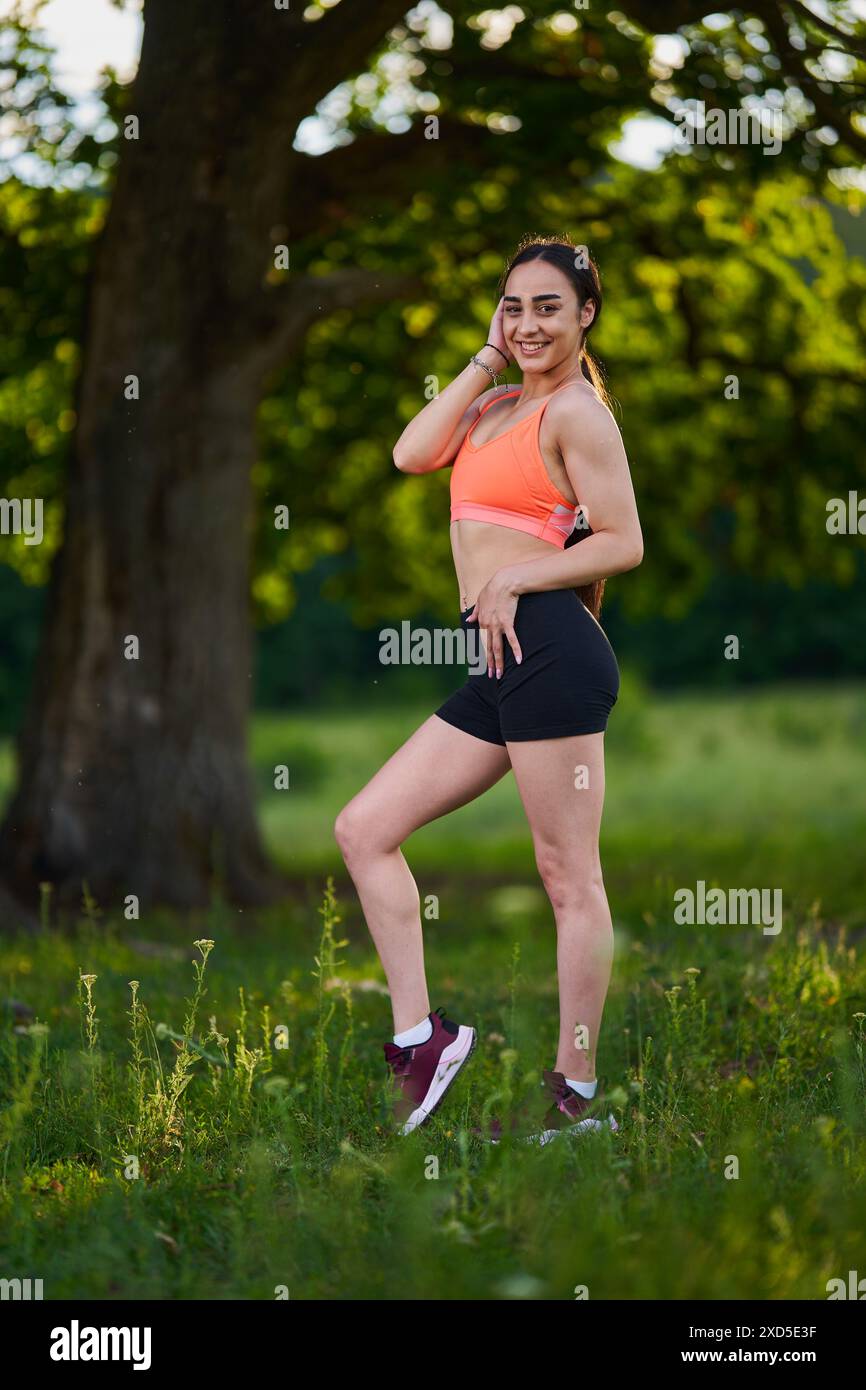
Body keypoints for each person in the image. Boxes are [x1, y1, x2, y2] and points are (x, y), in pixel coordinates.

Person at [334, 235, 643, 1142]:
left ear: (586, 314)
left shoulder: (580, 416)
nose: (531, 322)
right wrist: (485, 358)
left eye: (550, 306)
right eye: (516, 306)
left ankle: (574, 1100)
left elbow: (622, 540)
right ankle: (423, 1040)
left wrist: (518, 577)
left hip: (552, 651)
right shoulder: (498, 404)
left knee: (567, 878)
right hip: (497, 658)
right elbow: (409, 452)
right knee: (364, 829)